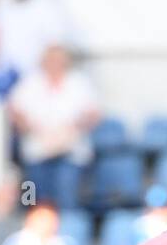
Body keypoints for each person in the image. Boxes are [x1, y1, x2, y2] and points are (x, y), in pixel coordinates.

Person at [8, 45, 100, 210]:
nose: (55, 64)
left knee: (67, 199)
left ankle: (67, 230)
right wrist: (29, 126)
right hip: (36, 153)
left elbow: (94, 113)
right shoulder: (30, 82)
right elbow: (14, 109)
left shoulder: (78, 83)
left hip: (70, 152)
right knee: (33, 199)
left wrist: (73, 128)